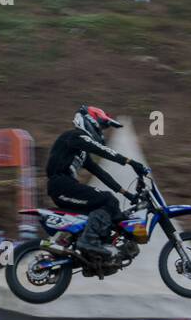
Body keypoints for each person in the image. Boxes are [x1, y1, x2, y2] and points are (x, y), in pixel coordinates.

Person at [44, 105, 147, 259]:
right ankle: (89, 241)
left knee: (110, 206)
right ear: (90, 120)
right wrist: (131, 162)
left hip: (65, 186)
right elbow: (103, 151)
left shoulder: (81, 151)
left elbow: (101, 173)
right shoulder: (74, 136)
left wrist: (127, 194)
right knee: (107, 200)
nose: (101, 131)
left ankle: (90, 243)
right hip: (61, 184)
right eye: (101, 126)